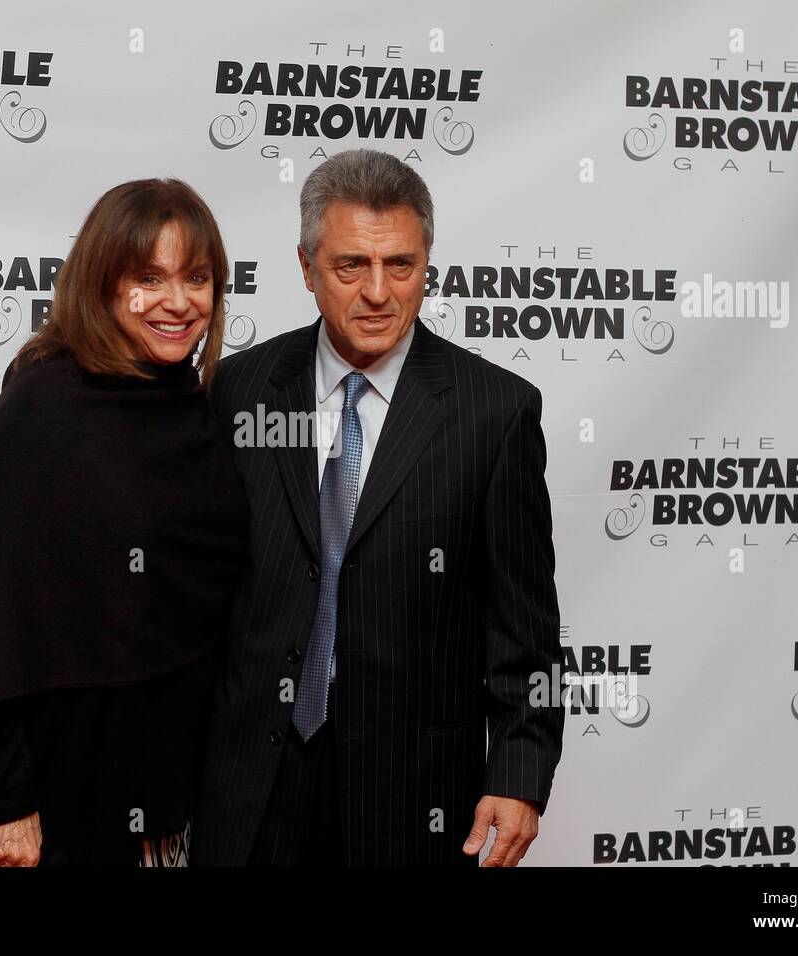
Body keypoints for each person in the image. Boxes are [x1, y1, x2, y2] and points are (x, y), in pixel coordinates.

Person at [191, 149, 564, 867]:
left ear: (428, 266)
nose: (378, 292)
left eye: (401, 265)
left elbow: (527, 630)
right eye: (350, 266)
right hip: (249, 788)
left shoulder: (495, 412)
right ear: (306, 269)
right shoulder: (237, 392)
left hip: (414, 798)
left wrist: (520, 773)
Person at [0, 179, 248, 866]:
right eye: (148, 278)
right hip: (48, 801)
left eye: (197, 278)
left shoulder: (195, 410)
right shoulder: (43, 407)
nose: (178, 302)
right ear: (102, 285)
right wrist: (8, 807)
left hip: (163, 804)